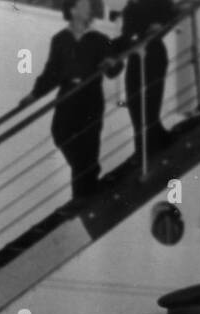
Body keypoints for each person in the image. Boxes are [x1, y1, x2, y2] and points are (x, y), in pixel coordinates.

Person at [24, 0, 123, 200]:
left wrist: (112, 63)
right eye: (84, 5)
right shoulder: (60, 39)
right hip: (68, 96)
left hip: (91, 97)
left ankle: (82, 195)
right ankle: (89, 180)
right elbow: (51, 73)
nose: (89, 9)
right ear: (73, 10)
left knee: (89, 143)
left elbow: (114, 68)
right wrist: (35, 94)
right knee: (60, 134)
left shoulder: (99, 39)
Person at [116, 0, 175, 165]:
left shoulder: (157, 3)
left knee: (150, 104)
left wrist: (157, 27)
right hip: (136, 58)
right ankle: (145, 148)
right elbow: (127, 35)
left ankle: (150, 149)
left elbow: (167, 16)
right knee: (135, 104)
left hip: (154, 54)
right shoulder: (130, 7)